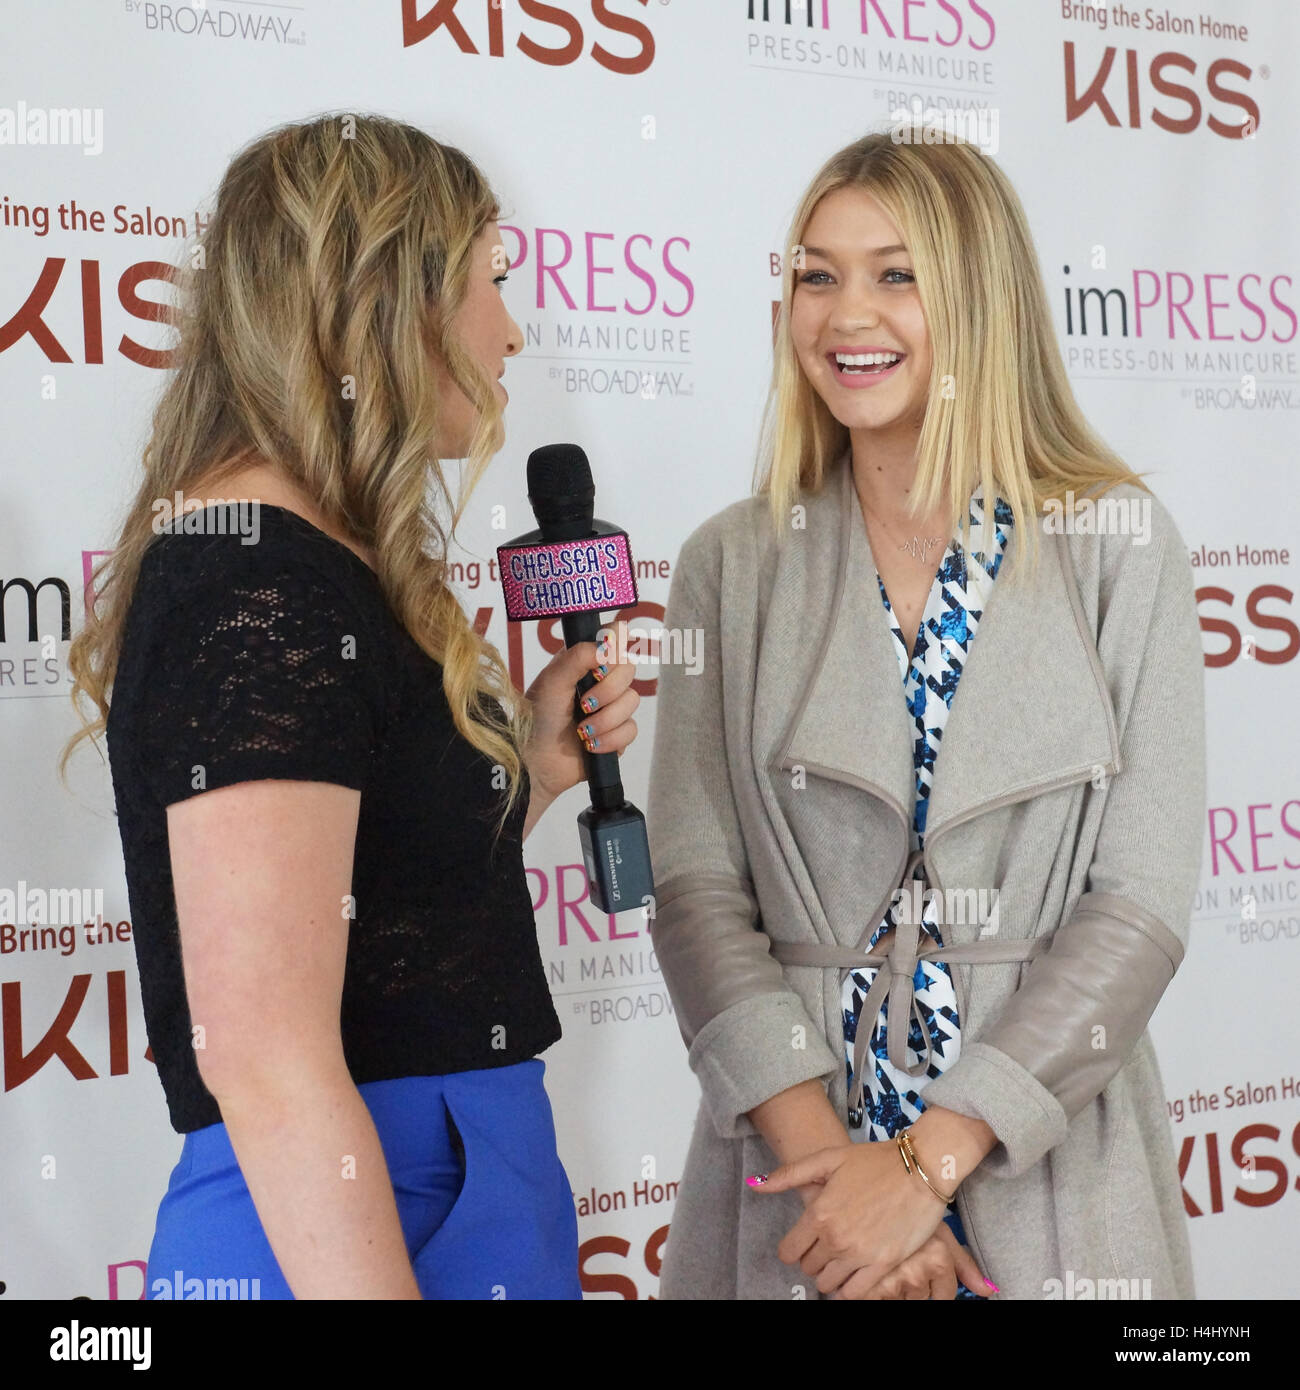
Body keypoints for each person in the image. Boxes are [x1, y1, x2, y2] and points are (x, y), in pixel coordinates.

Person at [60, 112, 640, 1300]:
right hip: (352, 1221)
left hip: (452, 1191)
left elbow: (366, 899)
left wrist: (527, 761)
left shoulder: (318, 559)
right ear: (388, 303)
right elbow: (267, 1054)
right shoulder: (254, 580)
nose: (512, 330)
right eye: (490, 282)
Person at [646, 129, 1205, 1300]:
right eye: (817, 274)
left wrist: (926, 1162)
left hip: (1046, 1158)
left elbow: (1138, 908)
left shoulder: (1117, 547)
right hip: (795, 1186)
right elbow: (698, 895)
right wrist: (840, 1187)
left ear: (981, 301)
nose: (848, 315)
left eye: (897, 274)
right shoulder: (727, 564)